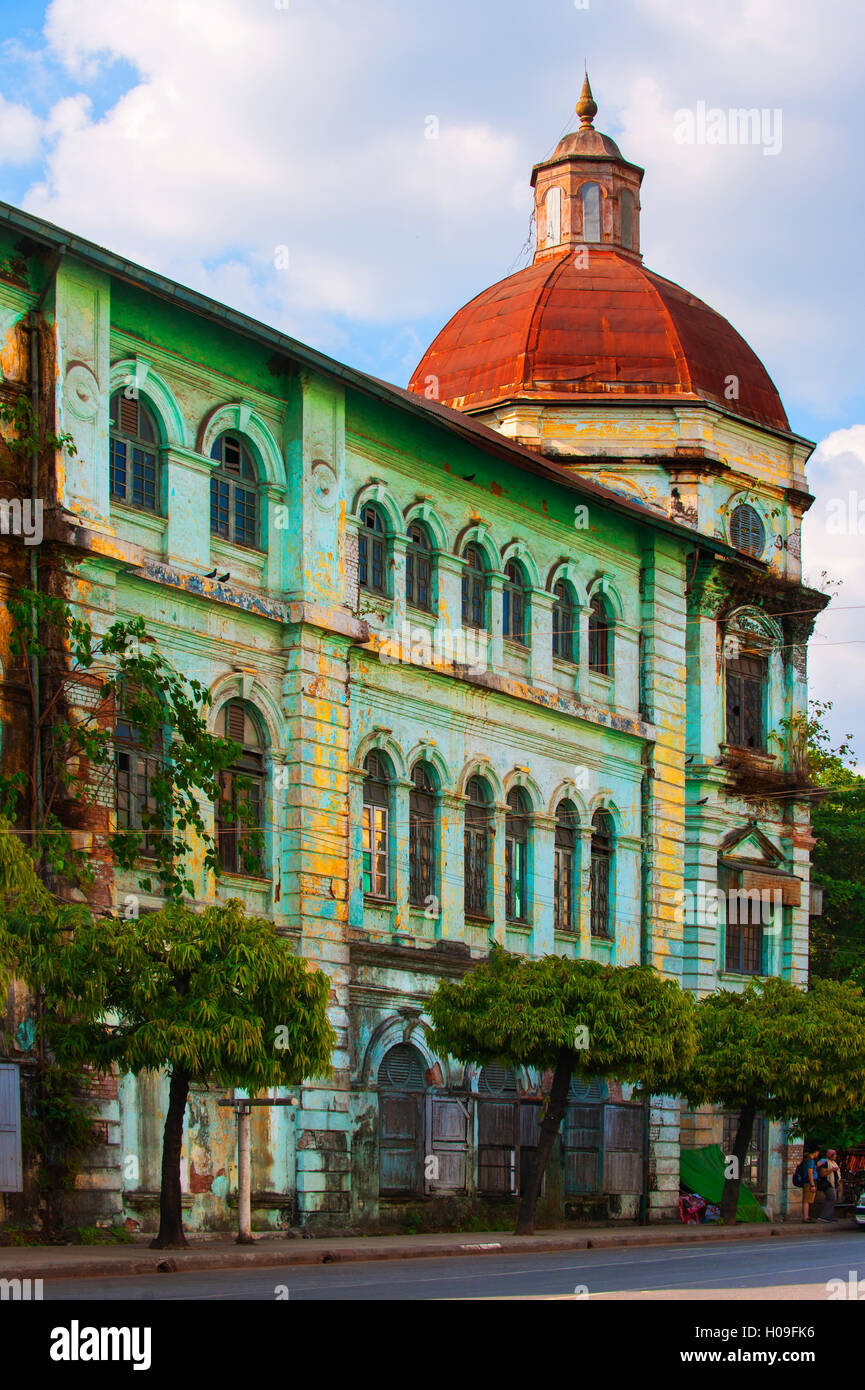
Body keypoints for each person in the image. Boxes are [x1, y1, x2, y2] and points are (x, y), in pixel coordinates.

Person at [816, 1149, 841, 1223]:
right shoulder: (825, 1162)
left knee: (833, 1200)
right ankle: (824, 1216)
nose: (836, 1156)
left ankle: (829, 1216)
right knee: (831, 1199)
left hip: (834, 1184)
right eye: (834, 1155)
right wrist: (831, 1170)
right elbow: (822, 1174)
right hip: (828, 1184)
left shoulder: (834, 1163)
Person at [802, 1145, 820, 1221]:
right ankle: (806, 1217)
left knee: (808, 1200)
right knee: (807, 1200)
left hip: (808, 1182)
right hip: (809, 1183)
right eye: (818, 1153)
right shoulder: (810, 1160)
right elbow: (810, 1173)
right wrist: (812, 1184)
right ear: (815, 1152)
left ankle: (807, 1216)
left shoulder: (807, 1160)